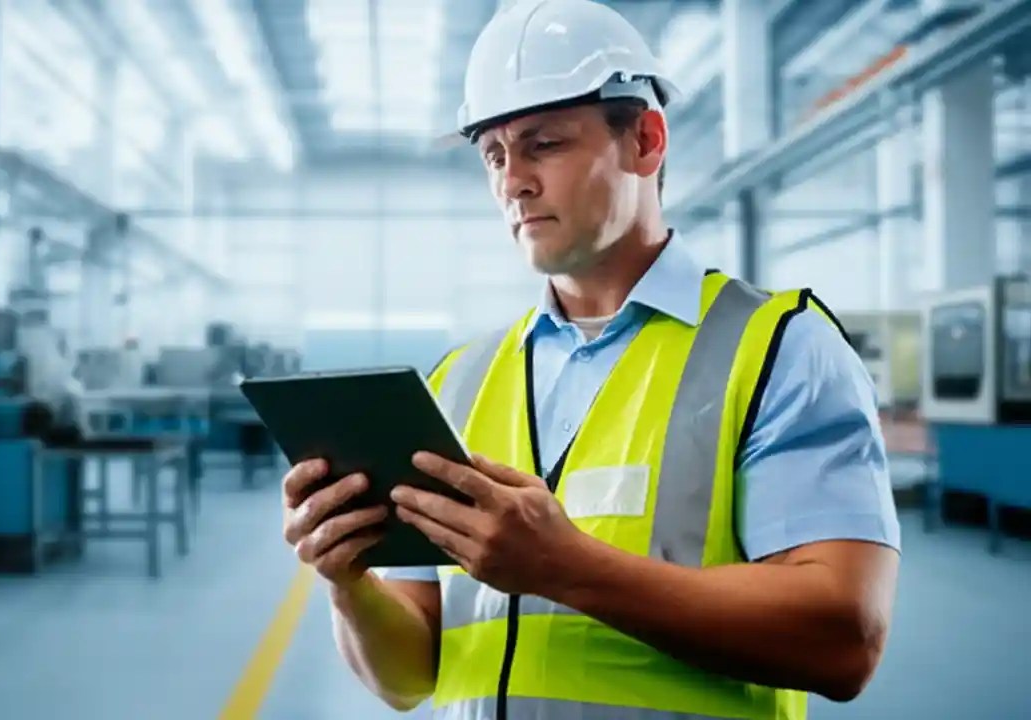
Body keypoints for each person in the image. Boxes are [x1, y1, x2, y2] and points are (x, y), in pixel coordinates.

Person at [281, 1, 901, 718]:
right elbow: (410, 677)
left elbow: (843, 640)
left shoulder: (778, 349)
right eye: (493, 155)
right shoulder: (460, 380)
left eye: (543, 144)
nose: (512, 181)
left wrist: (566, 569)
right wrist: (347, 583)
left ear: (645, 139)